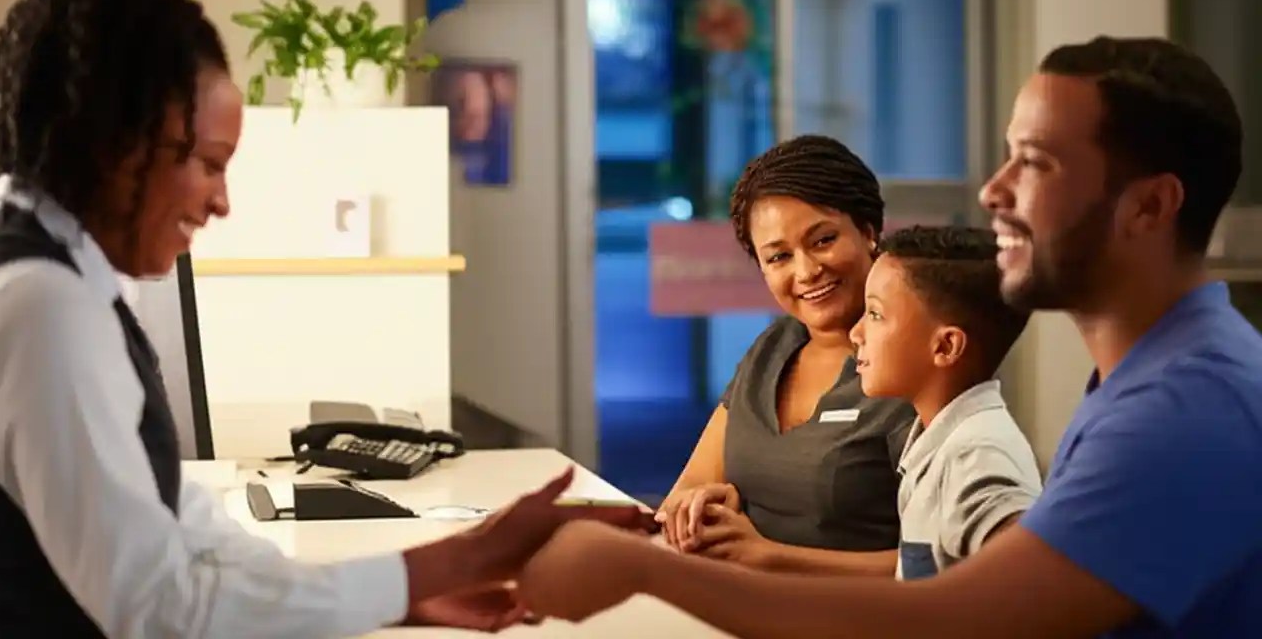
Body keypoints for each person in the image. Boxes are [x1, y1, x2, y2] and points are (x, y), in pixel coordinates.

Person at [0, 0, 648, 638]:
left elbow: (182, 520)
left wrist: (396, 594)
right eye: (210, 164)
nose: (222, 202)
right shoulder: (42, 309)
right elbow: (161, 609)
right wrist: (466, 556)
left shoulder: (50, 272)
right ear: (118, 146)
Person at [515, 35, 1262, 639]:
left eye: (1035, 164)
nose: (993, 192)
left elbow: (963, 611)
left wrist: (648, 570)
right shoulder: (1145, 381)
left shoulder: (1186, 409)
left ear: (1150, 208)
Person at [655, 135, 915, 576]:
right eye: (778, 257)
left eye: (823, 239)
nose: (806, 271)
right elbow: (687, 493)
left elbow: (947, 565)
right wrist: (697, 510)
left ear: (869, 231)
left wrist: (769, 555)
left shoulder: (915, 356)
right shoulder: (774, 347)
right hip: (746, 608)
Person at [848, 224, 1039, 579]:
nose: (855, 332)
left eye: (875, 314)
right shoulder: (937, 440)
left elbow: (1034, 571)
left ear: (945, 347)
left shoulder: (974, 455)